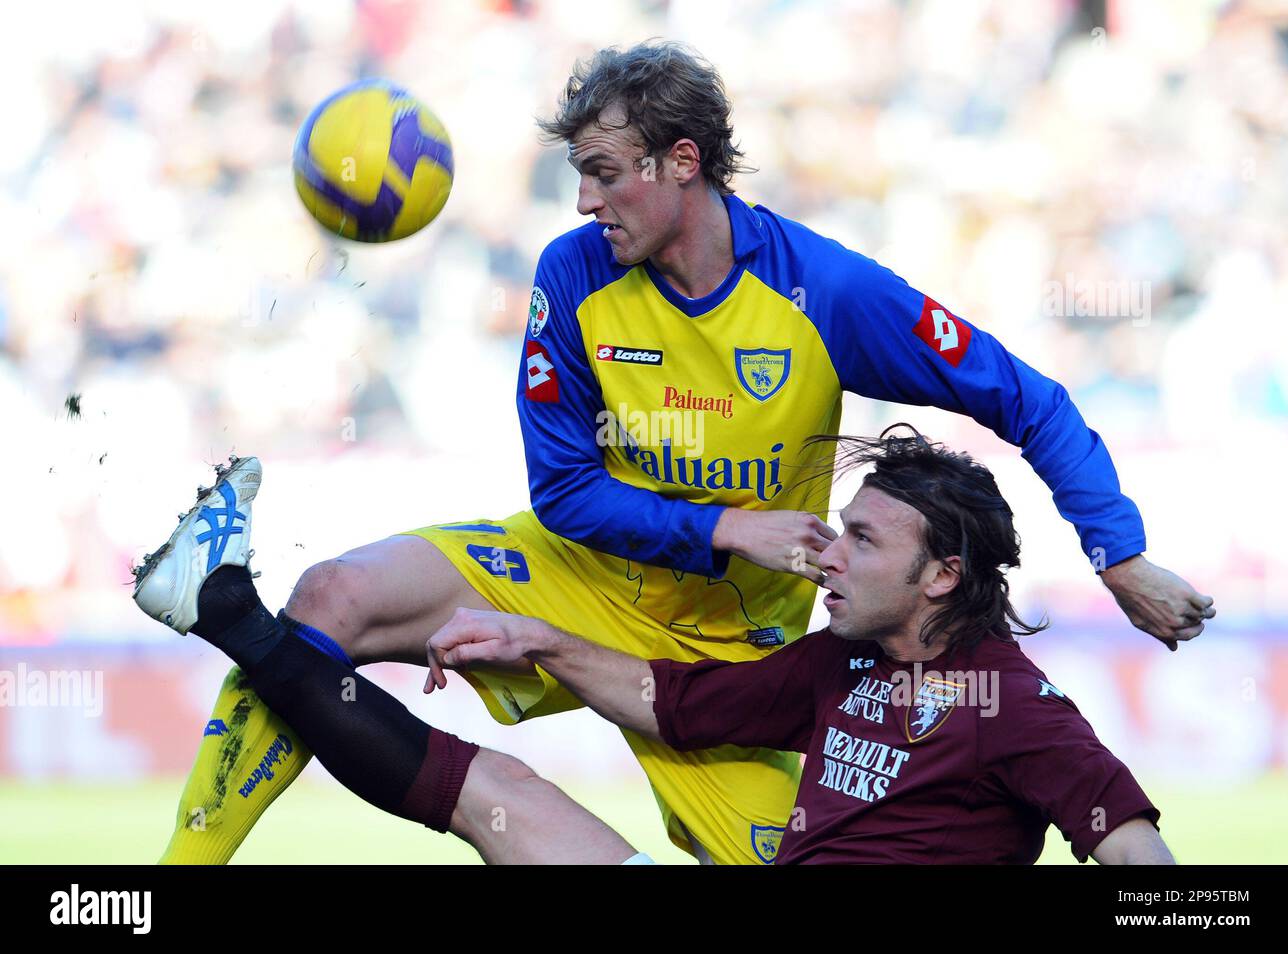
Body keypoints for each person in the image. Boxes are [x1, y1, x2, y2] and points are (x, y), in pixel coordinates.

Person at [142, 40, 1212, 866]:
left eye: (605, 172)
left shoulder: (823, 295)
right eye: (578, 174)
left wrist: (1118, 556)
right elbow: (560, 488)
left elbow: (1029, 398)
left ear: (680, 161)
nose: (583, 200)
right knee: (330, 597)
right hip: (578, 573)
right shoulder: (572, 276)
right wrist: (723, 525)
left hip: (733, 659)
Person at [424, 429, 1175, 864]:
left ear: (943, 576)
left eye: (863, 539)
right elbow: (673, 703)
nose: (829, 554)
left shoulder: (1010, 704)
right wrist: (540, 641)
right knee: (498, 791)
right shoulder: (842, 657)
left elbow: (1136, 850)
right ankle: (302, 668)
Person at [132, 456, 654, 865]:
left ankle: (226, 610)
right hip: (613, 561)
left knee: (499, 800)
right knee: (335, 595)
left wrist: (723, 530)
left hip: (728, 660)